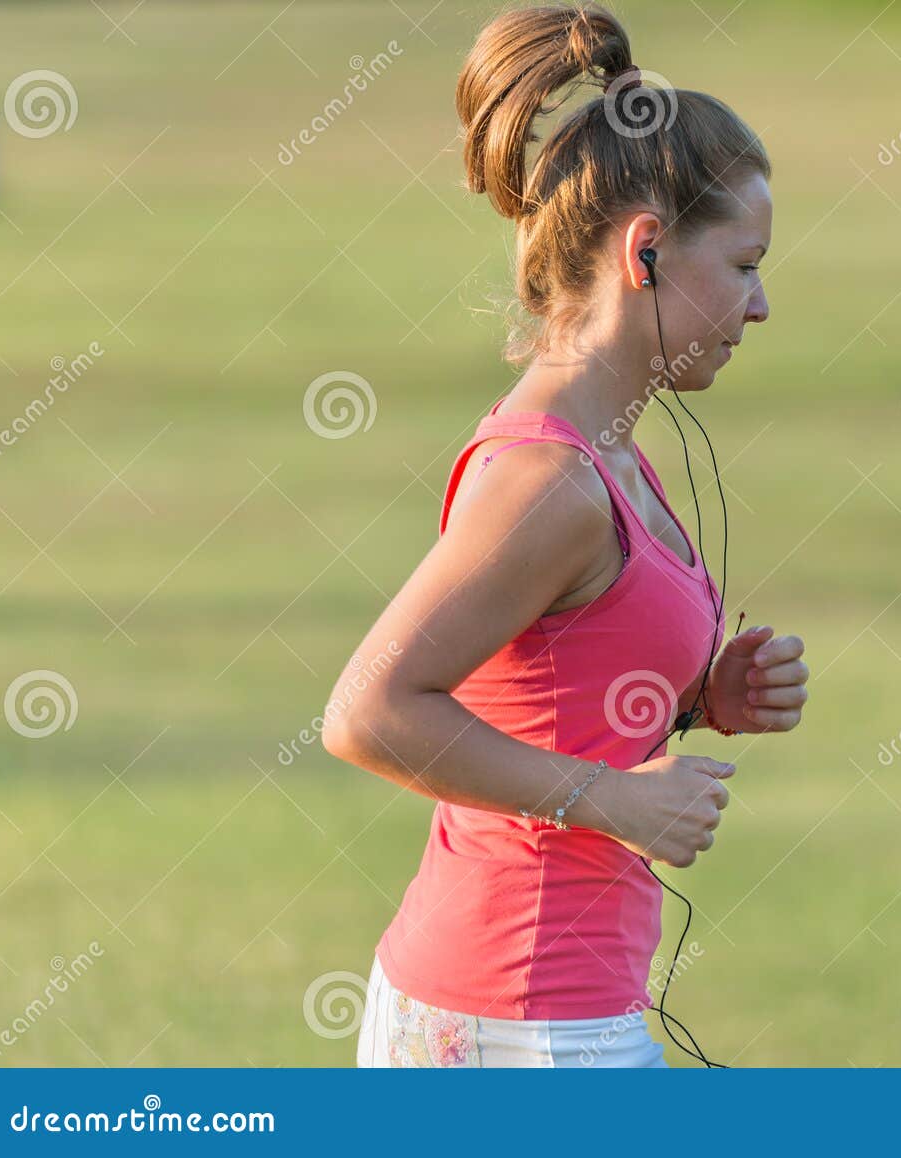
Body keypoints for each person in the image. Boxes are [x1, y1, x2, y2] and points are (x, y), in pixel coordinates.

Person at [322, 2, 809, 1068]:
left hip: (549, 1007)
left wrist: (701, 700)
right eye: (743, 265)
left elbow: (545, 693)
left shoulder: (612, 456)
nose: (760, 304)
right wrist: (617, 800)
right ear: (646, 252)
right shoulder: (550, 483)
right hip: (513, 1021)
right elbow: (368, 713)